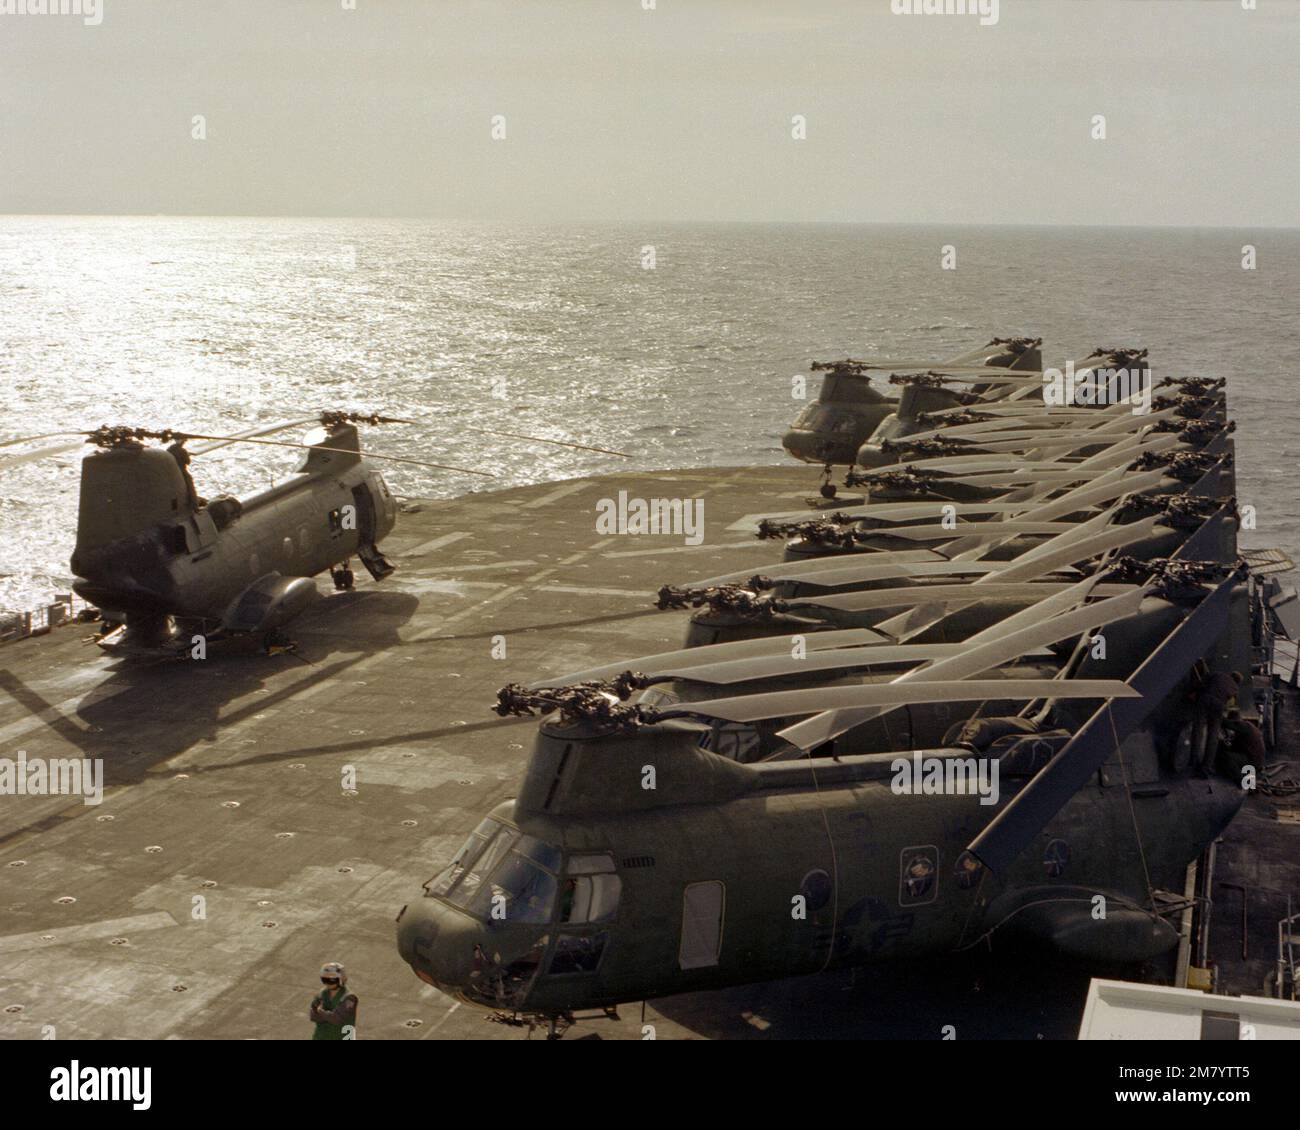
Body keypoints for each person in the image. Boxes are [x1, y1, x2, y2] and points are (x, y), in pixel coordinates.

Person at [309, 962, 358, 1040]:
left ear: (341, 979)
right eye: (325, 980)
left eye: (332, 980)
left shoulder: (350, 998)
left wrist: (321, 1011)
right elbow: (313, 1017)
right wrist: (328, 1015)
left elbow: (337, 1019)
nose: (328, 984)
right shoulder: (321, 994)